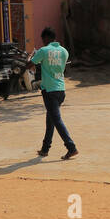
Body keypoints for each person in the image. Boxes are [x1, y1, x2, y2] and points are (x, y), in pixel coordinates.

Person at [28, 27, 77, 160]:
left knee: (56, 120)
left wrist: (30, 59)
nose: (42, 42)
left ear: (46, 38)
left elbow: (30, 65)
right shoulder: (64, 51)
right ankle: (45, 149)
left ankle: (71, 147)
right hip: (61, 89)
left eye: (43, 39)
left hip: (49, 90)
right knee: (50, 119)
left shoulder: (43, 51)